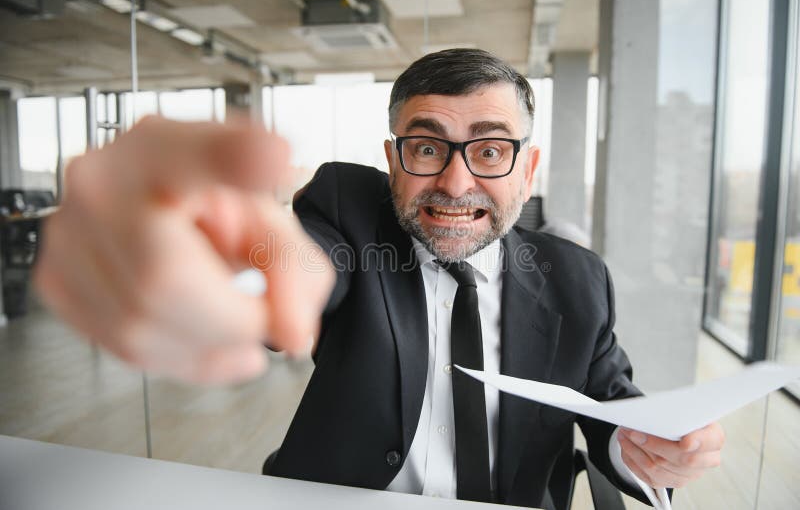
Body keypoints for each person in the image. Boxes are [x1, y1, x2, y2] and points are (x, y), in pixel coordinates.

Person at [34, 49, 724, 509]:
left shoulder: (577, 278)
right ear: (394, 160)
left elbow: (612, 407)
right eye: (427, 147)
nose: (455, 182)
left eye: (489, 149)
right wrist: (229, 264)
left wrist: (651, 447)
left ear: (528, 167)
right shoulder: (350, 212)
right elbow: (304, 267)